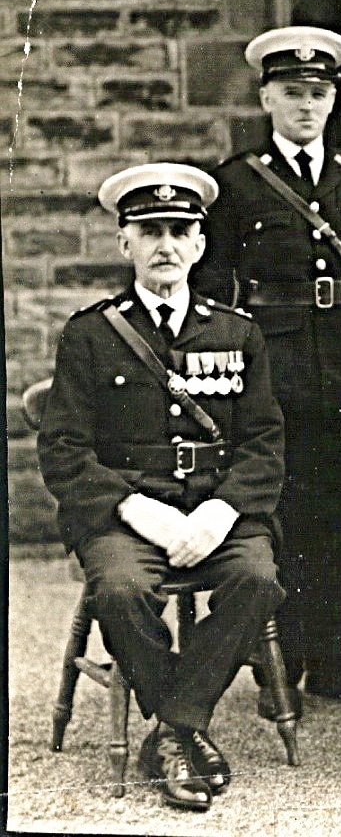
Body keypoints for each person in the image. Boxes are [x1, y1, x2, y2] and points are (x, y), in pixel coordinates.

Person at [38, 163, 286, 812]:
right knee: (119, 588)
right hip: (127, 516)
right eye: (150, 231)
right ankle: (185, 728)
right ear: (125, 243)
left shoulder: (238, 333)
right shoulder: (90, 335)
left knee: (257, 580)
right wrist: (135, 508)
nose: (166, 245)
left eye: (180, 230)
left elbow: (265, 443)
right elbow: (62, 449)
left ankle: (175, 726)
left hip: (217, 511)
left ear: (201, 243)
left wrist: (222, 510)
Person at [195, 26, 341, 714]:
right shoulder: (236, 184)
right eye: (292, 93)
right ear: (266, 98)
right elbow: (215, 289)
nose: (306, 106)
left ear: (333, 99)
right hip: (273, 369)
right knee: (280, 518)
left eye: (318, 93)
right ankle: (277, 666)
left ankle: (337, 661)